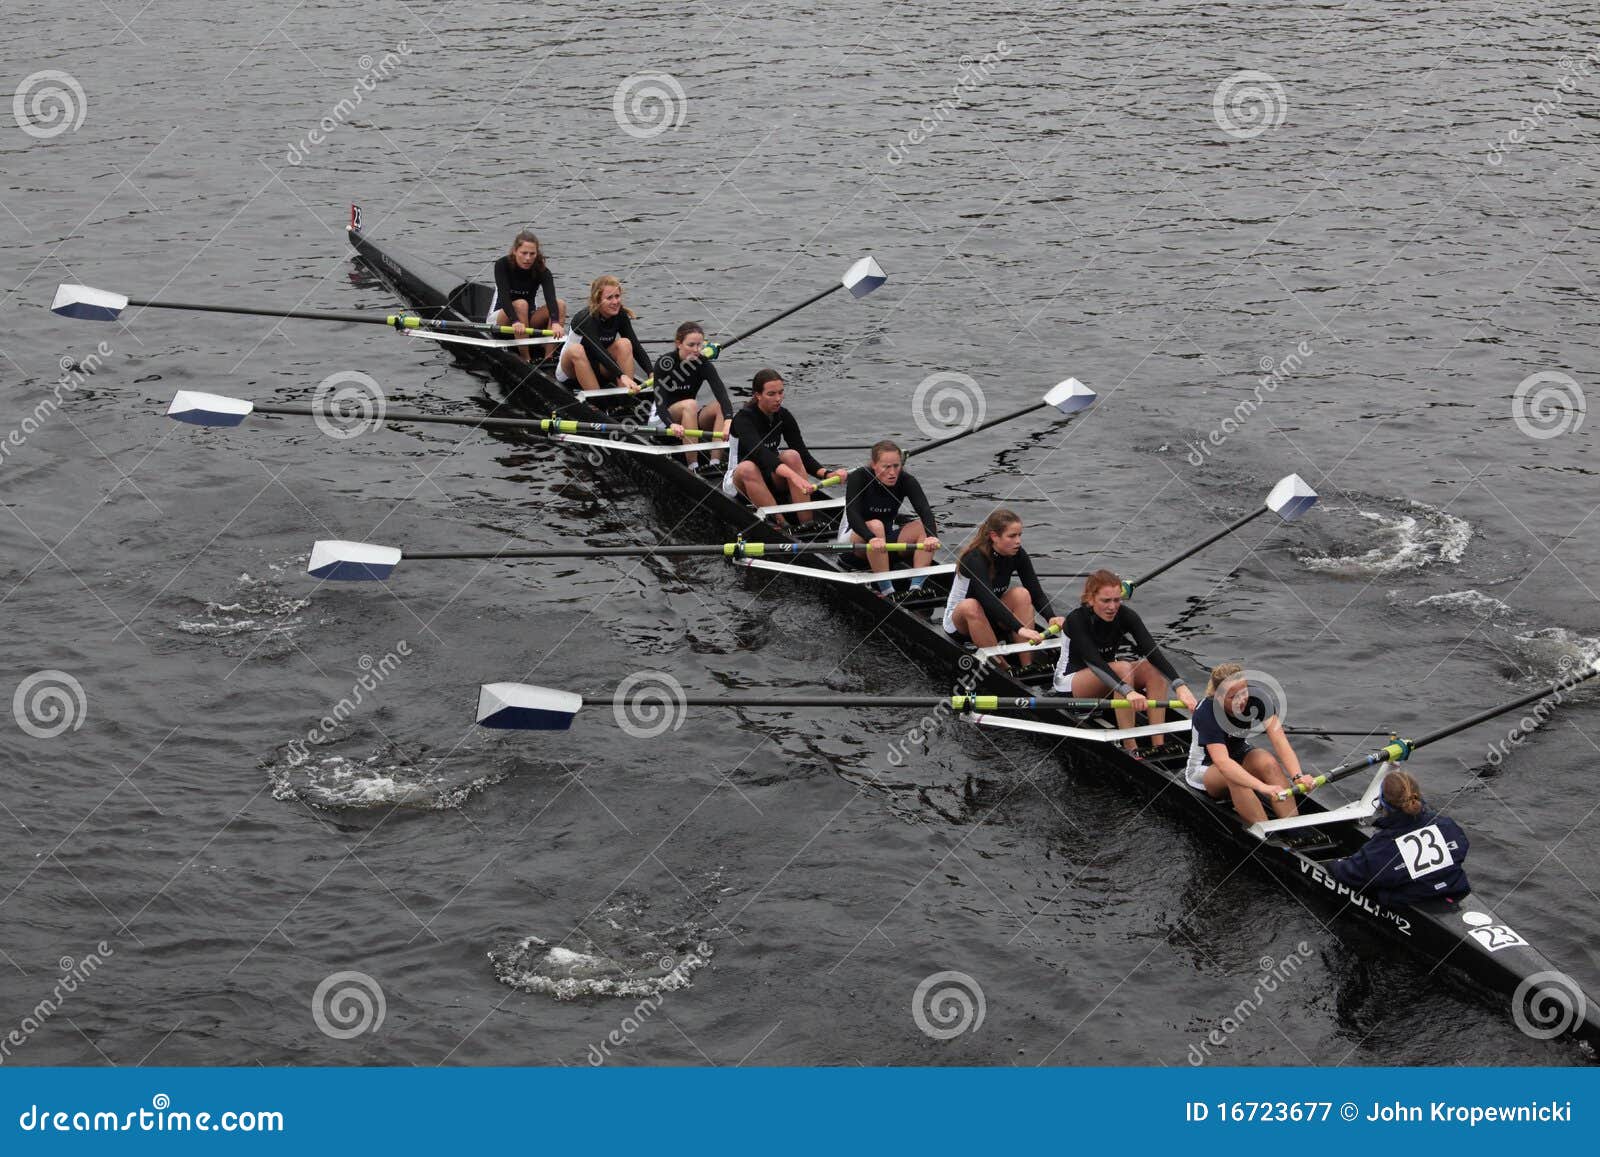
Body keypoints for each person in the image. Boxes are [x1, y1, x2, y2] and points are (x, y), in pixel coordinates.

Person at [1054, 569, 1198, 754]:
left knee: (1151, 669)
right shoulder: (1076, 620)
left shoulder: (1126, 615)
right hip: (1070, 686)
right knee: (1123, 668)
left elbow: (1153, 652)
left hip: (1111, 679)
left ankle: (1158, 746)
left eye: (1116, 600)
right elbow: (1094, 662)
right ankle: (1132, 749)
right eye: (1106, 601)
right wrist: (1127, 691)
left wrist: (1180, 686)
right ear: (1090, 599)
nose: (1113, 607)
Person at [1184, 662, 1315, 821]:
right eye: (1233, 697)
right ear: (1218, 696)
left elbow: (1280, 742)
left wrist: (1297, 776)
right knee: (1234, 775)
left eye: (1244, 692)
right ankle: (1264, 834)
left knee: (1268, 761)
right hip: (1205, 770)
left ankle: (1294, 826)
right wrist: (1262, 787)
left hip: (1239, 756)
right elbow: (1223, 763)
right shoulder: (1207, 712)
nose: (1241, 701)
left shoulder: (1258, 699)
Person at [1329, 770, 1470, 906]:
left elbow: (1348, 874)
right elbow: (1462, 847)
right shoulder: (1446, 825)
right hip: (1455, 887)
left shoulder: (1384, 846)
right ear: (1417, 796)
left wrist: (1332, 864)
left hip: (1409, 900)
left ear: (1383, 804)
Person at [941, 508, 1063, 665]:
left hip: (992, 617)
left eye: (1019, 535)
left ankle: (1027, 665)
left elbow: (1036, 593)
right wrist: (1020, 628)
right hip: (960, 624)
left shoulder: (1018, 554)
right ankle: (1004, 669)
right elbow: (989, 600)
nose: (1018, 541)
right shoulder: (974, 558)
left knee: (1022, 594)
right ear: (994, 537)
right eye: (1012, 536)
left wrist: (1050, 617)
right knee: (971, 605)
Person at [724, 369, 846, 525]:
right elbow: (761, 454)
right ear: (757, 395)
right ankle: (782, 527)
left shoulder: (783, 416)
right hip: (738, 481)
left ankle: (807, 524)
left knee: (793, 455)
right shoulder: (743, 419)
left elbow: (803, 455)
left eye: (781, 393)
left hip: (771, 475)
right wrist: (793, 476)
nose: (778, 399)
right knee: (748, 467)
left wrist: (827, 474)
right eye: (771, 394)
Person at [839, 441, 942, 599]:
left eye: (896, 466)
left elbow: (925, 511)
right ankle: (888, 591)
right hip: (854, 545)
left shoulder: (907, 480)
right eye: (886, 467)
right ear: (874, 465)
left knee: (925, 527)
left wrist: (931, 536)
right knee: (876, 526)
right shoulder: (859, 477)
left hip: (884, 545)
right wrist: (871, 538)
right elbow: (853, 515)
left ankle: (915, 589)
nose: (892, 472)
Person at [650, 322, 733, 469]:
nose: (696, 350)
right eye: (691, 345)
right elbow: (660, 403)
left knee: (719, 406)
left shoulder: (703, 363)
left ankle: (715, 463)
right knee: (691, 404)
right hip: (662, 419)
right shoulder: (664, 363)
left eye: (699, 345)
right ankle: (693, 466)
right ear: (679, 344)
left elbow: (721, 393)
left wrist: (728, 420)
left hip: (689, 416)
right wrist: (671, 424)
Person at [557, 276, 650, 392]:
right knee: (576, 349)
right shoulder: (585, 319)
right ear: (598, 300)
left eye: (617, 296)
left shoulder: (620, 315)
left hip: (600, 367)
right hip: (570, 373)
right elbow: (598, 351)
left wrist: (651, 372)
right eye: (609, 298)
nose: (615, 302)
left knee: (625, 343)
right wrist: (621, 375)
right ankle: (596, 403)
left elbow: (636, 347)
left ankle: (626, 397)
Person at [490, 231, 565, 364]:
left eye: (532, 254)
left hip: (526, 324)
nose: (528, 258)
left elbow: (550, 298)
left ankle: (549, 357)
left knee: (560, 305)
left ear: (537, 254)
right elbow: (504, 296)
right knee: (521, 304)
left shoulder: (542, 271)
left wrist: (554, 322)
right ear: (515, 251)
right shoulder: (502, 265)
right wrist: (515, 321)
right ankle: (526, 359)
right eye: (524, 253)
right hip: (502, 320)